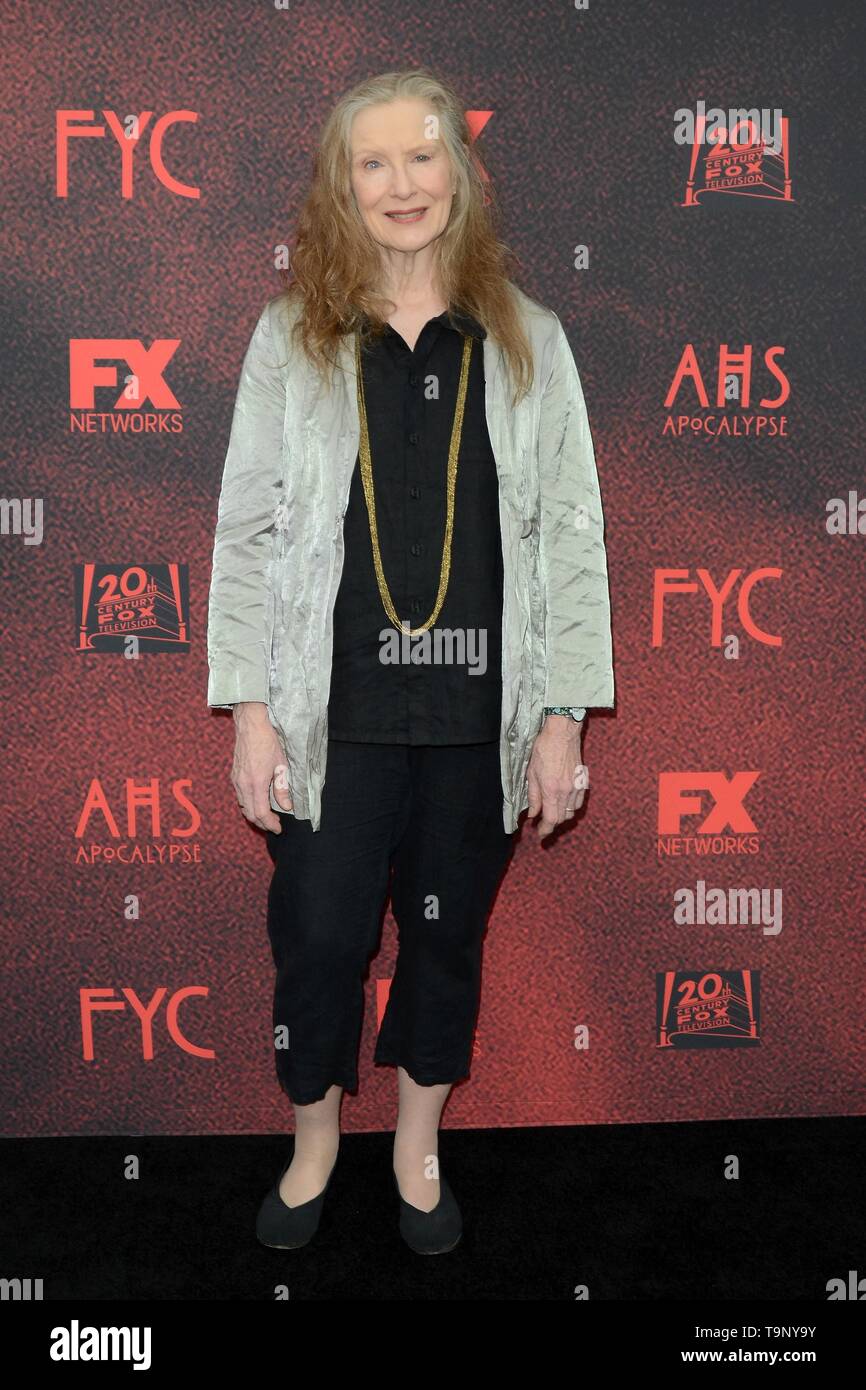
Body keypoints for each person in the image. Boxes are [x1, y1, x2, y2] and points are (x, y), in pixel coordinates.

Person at [206, 66, 614, 1255]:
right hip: (331, 718)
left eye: (421, 156)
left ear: (460, 175)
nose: (400, 184)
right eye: (371, 162)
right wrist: (248, 710)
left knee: (445, 940)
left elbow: (573, 535)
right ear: (341, 185)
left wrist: (562, 719)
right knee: (322, 938)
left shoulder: (527, 340)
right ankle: (317, 1138)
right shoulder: (290, 338)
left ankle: (416, 1139)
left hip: (475, 716)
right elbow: (246, 527)